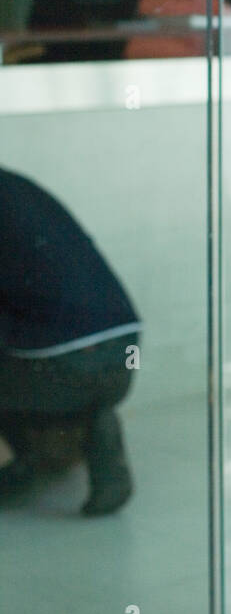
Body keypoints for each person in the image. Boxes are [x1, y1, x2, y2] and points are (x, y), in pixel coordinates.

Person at [0, 168, 141, 515]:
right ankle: (94, 420)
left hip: (61, 367)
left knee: (35, 356)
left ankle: (9, 468)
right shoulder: (17, 185)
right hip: (125, 355)